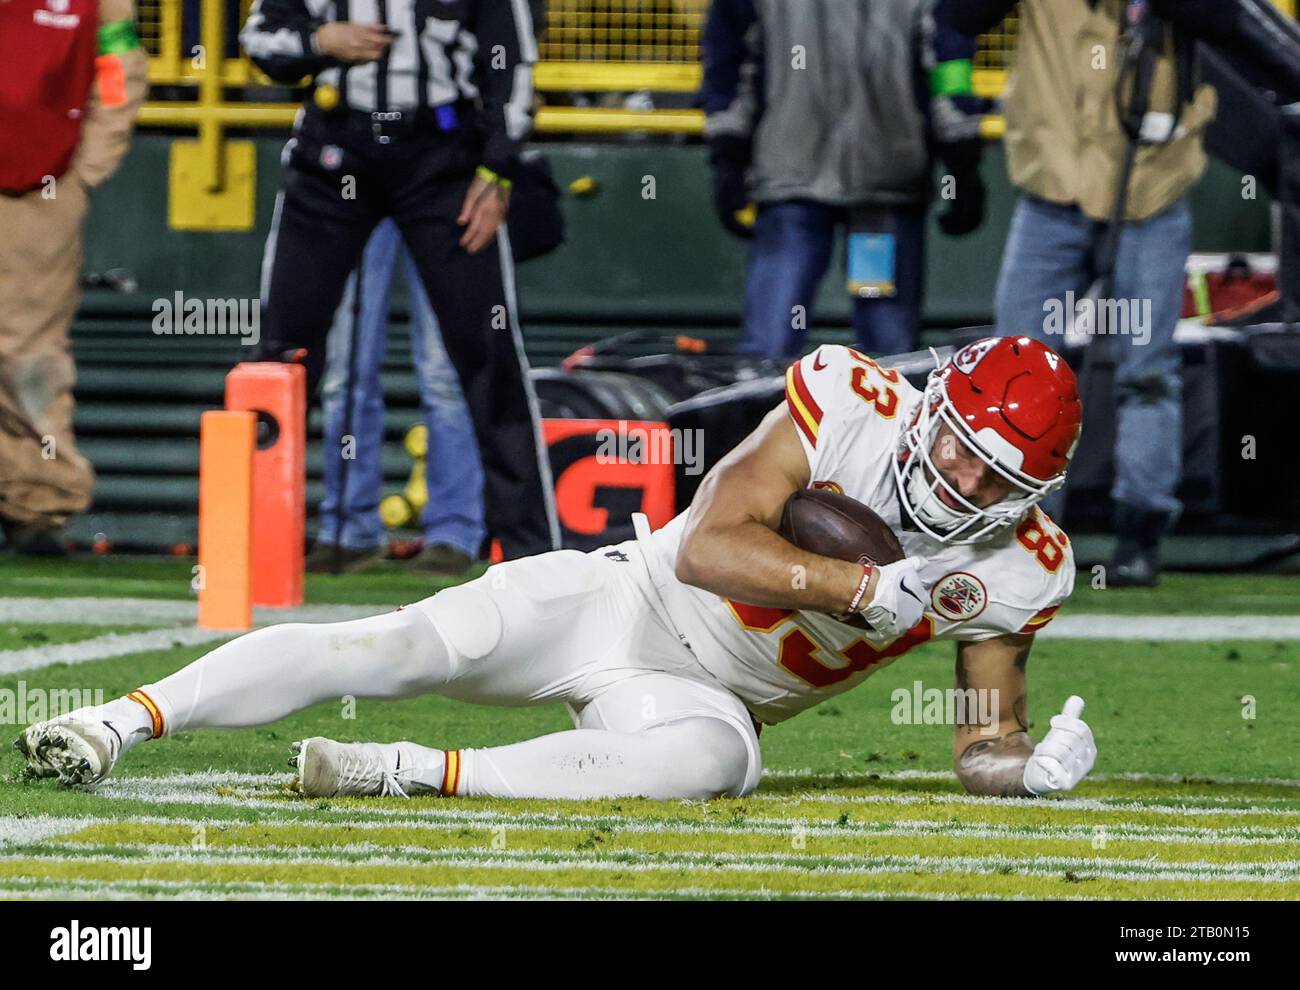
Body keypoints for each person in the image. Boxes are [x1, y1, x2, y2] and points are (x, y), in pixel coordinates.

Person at [21, 336, 1096, 803]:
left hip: (708, 696)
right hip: (625, 597)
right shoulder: (852, 399)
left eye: (990, 473)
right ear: (932, 402)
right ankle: (115, 722)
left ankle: (405, 773)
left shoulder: (1022, 567)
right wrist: (858, 589)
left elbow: (980, 745)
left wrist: (1024, 771)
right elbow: (711, 546)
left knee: (713, 767)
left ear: (1029, 497)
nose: (956, 475)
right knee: (396, 644)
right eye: (954, 438)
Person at [240, 0, 559, 561]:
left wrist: (498, 167)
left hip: (442, 157)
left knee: (485, 353)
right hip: (334, 152)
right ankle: (251, 543)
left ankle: (532, 551)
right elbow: (260, 40)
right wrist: (320, 41)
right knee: (282, 354)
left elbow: (511, 58)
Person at [701, 0, 986, 361]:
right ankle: (759, 415)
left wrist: (962, 157)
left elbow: (729, 61)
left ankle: (763, 412)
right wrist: (728, 154)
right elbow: (948, 60)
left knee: (873, 350)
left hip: (848, 180)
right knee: (874, 348)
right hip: (860, 178)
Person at [0, 0, 146, 554]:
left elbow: (119, 66)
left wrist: (84, 171)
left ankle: (38, 504)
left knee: (27, 352)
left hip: (39, 191)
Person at [312, 218, 485, 577]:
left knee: (445, 375)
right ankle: (348, 532)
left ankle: (455, 533)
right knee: (344, 374)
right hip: (364, 187)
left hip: (436, 186)